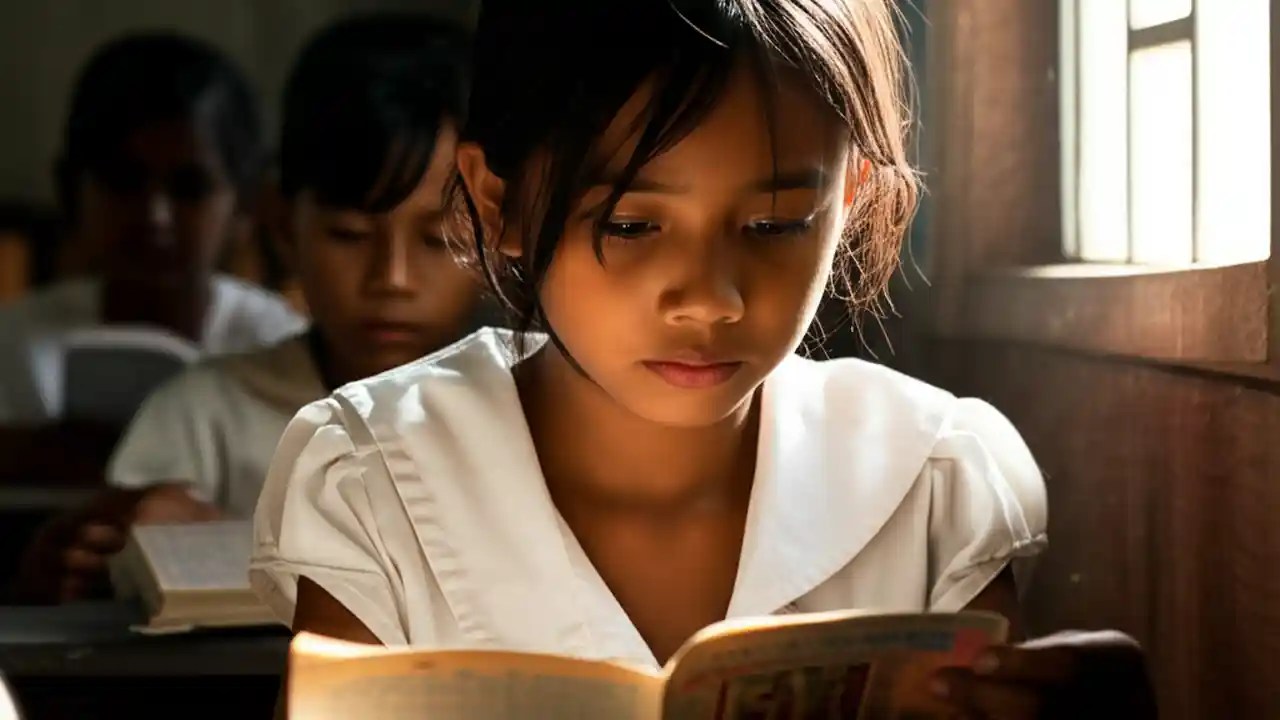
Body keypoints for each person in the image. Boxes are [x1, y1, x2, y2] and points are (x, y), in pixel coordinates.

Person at [251, 1, 1157, 717]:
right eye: (634, 226)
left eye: (773, 225)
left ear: (849, 197)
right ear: (500, 203)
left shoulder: (930, 479)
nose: (711, 299)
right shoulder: (374, 478)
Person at [11, 15, 480, 604]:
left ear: (502, 231)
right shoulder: (203, 413)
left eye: (438, 240)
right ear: (282, 225)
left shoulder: (539, 414)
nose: (393, 279)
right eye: (348, 234)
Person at [0, 33, 303, 483]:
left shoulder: (282, 348)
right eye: (123, 181)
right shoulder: (14, 344)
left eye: (190, 189)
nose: (155, 217)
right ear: (70, 191)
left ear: (244, 206)